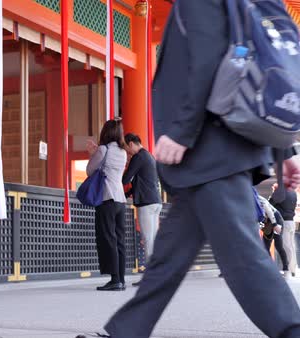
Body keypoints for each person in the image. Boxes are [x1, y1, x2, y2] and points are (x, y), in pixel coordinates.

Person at [93, 1, 300, 337]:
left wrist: (181, 132)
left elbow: (207, 61)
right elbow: (269, 66)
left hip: (211, 151)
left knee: (243, 258)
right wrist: (284, 147)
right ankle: (125, 330)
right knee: (168, 259)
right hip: (217, 150)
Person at [86, 119, 128, 291]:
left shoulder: (104, 149)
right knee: (119, 240)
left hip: (106, 198)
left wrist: (93, 153)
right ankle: (121, 279)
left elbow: (90, 170)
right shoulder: (123, 151)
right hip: (120, 199)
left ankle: (114, 279)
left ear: (106, 132)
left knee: (108, 238)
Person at [122, 133, 162, 286]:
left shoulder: (138, 157)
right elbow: (143, 182)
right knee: (152, 238)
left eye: (126, 148)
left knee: (148, 239)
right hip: (155, 202)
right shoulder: (149, 156)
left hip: (146, 203)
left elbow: (126, 179)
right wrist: (128, 194)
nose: (127, 152)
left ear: (131, 143)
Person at [270, 183, 298, 278]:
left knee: (286, 246)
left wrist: (274, 192)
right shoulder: (293, 192)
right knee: (291, 245)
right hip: (291, 221)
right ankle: (293, 268)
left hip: (284, 222)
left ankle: (288, 270)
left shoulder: (280, 192)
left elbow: (270, 204)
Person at [258, 195, 289, 275]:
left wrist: (275, 225)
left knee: (279, 246)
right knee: (266, 247)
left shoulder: (257, 198)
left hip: (275, 218)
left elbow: (268, 210)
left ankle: (286, 269)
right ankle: (270, 269)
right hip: (266, 222)